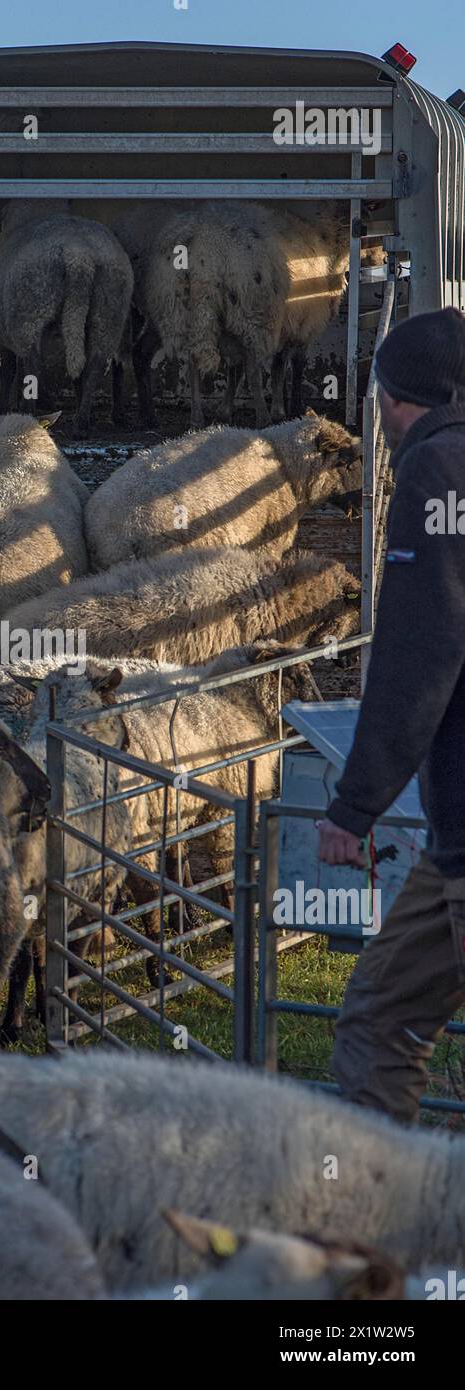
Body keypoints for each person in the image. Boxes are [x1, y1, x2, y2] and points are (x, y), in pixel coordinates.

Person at [316, 306, 465, 1124]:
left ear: (392, 397)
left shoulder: (437, 468)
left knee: (379, 1024)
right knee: (378, 1014)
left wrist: (354, 806)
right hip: (452, 846)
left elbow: (420, 650)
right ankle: (389, 1226)